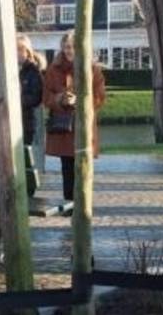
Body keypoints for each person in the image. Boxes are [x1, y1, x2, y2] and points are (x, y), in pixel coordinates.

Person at [44, 31, 106, 209]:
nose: (69, 51)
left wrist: (80, 100)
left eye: (72, 47)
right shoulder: (53, 70)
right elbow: (46, 97)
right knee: (67, 167)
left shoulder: (92, 69)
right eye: (66, 47)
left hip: (83, 125)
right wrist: (61, 99)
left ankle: (82, 204)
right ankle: (69, 203)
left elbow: (100, 97)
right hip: (64, 127)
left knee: (83, 167)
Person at [17, 34, 46, 146]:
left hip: (28, 121)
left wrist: (16, 100)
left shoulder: (34, 70)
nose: (16, 53)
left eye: (20, 49)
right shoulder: (10, 69)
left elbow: (36, 98)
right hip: (12, 121)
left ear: (27, 51)